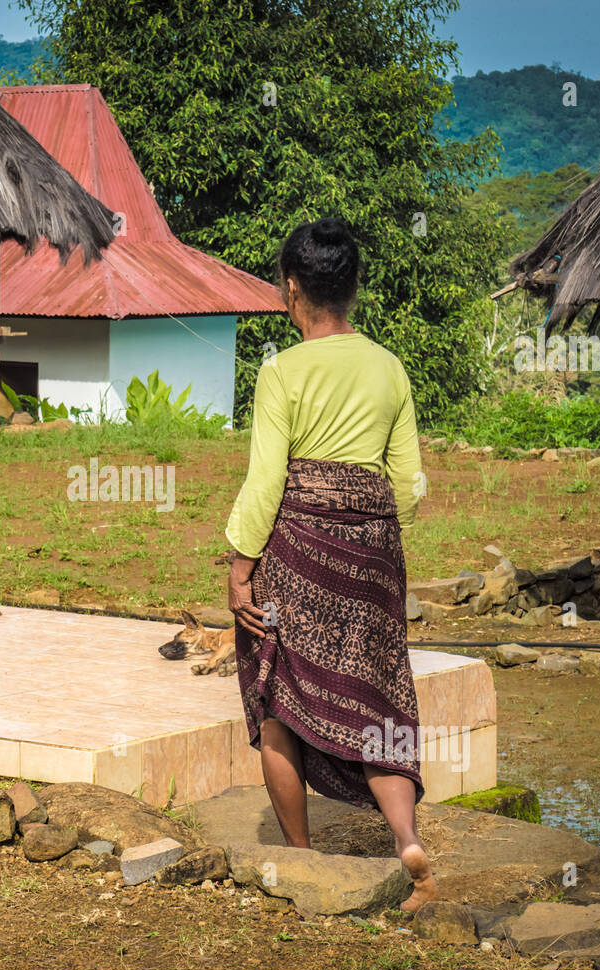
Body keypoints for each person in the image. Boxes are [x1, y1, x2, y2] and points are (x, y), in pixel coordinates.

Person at [224, 217, 436, 912]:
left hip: (294, 554)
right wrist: (363, 527)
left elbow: (265, 483)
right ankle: (405, 836)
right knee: (378, 694)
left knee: (276, 695)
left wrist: (239, 567)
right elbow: (409, 485)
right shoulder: (389, 368)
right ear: (353, 288)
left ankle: (302, 859)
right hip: (374, 554)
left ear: (292, 291)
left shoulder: (281, 371)